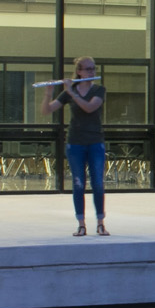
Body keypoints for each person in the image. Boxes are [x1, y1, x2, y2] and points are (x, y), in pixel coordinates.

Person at [39, 56, 109, 237]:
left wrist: (72, 93)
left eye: (93, 69)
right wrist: (48, 92)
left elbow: (89, 108)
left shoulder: (99, 90)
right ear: (79, 71)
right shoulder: (71, 92)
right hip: (75, 142)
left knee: (98, 183)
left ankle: (101, 223)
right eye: (87, 69)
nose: (91, 72)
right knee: (78, 183)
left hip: (95, 141)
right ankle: (81, 224)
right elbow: (47, 110)